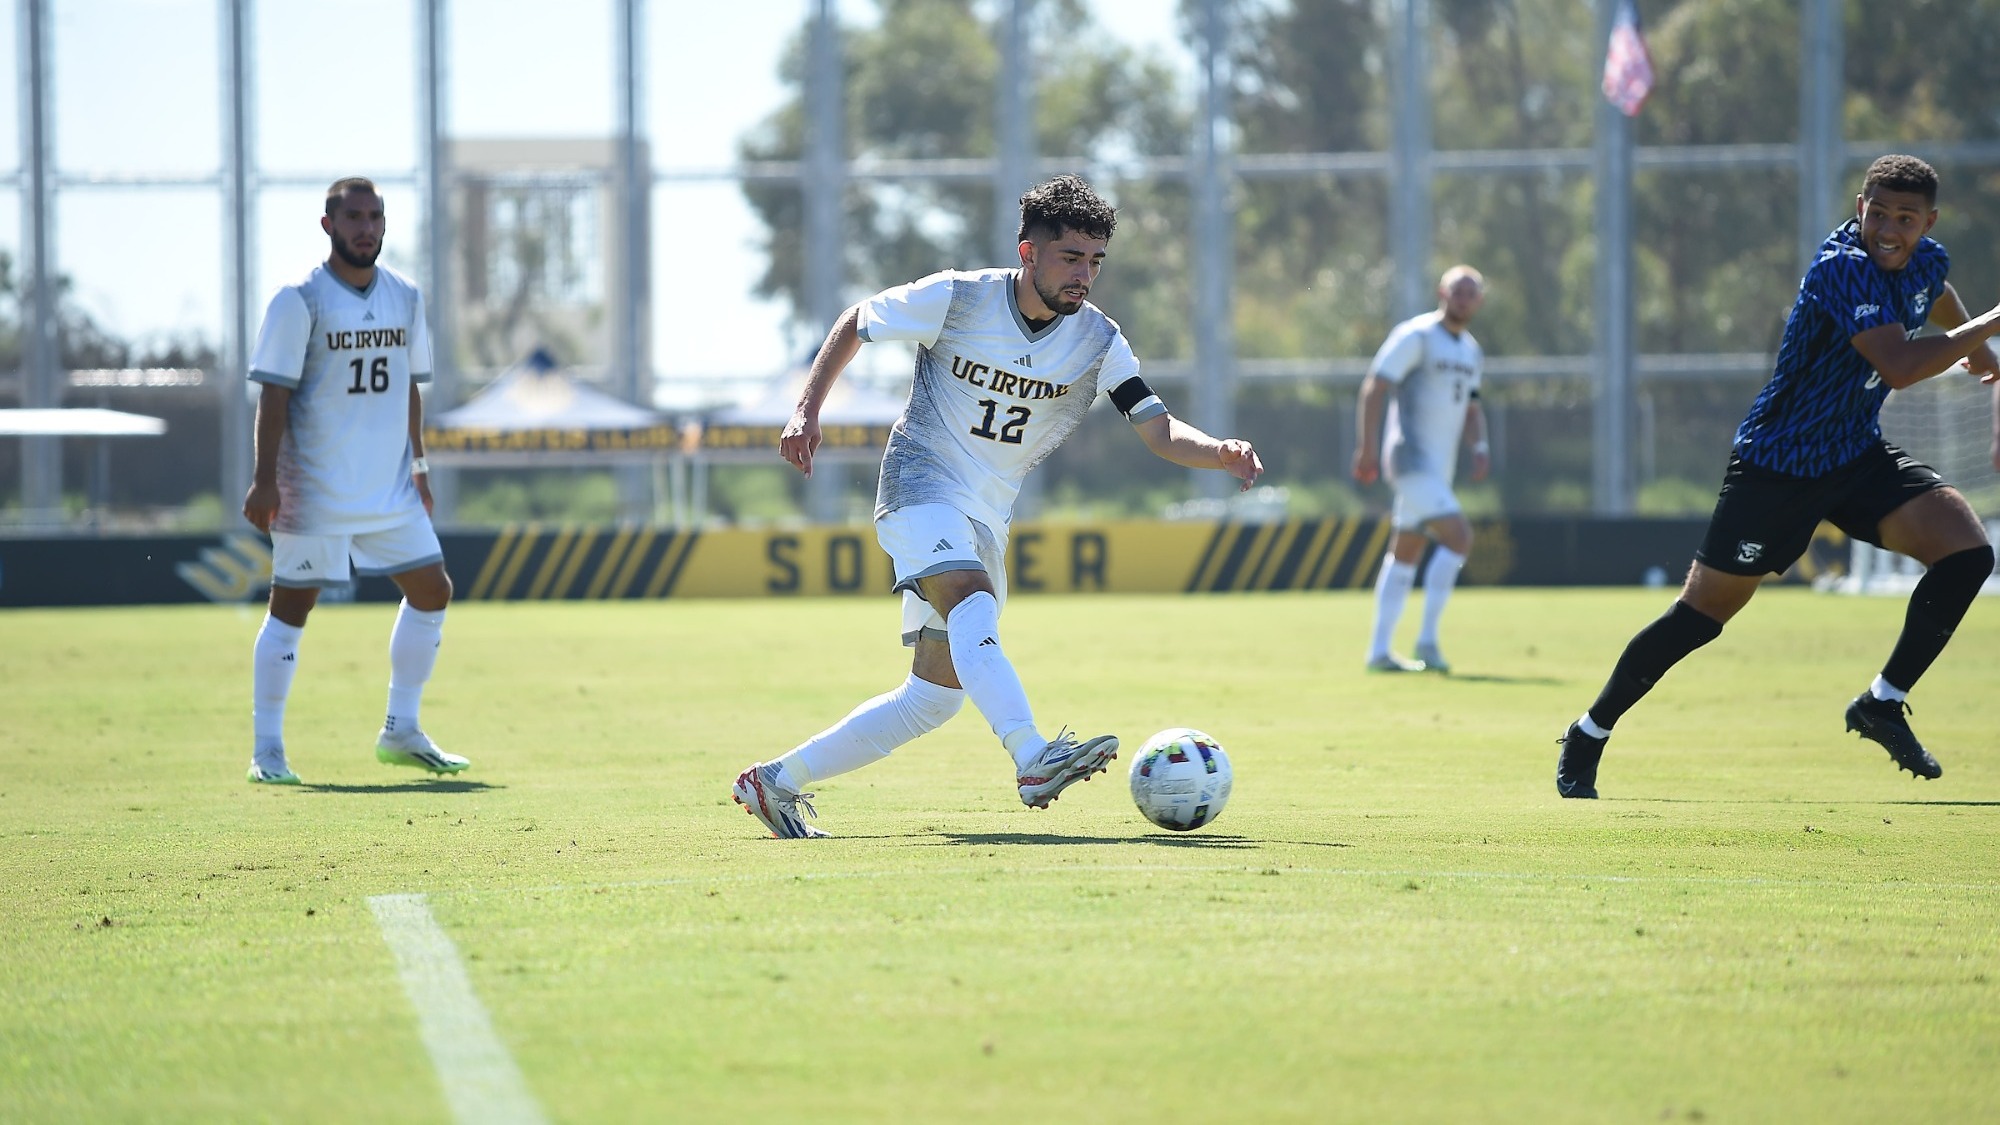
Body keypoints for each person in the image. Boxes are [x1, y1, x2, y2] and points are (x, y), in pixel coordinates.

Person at [731, 174, 1265, 838]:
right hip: (918, 484)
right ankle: (1033, 756)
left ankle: (774, 781)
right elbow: (857, 321)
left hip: (988, 513)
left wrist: (1218, 451)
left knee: (931, 699)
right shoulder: (958, 297)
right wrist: (807, 410)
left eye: (1095, 261)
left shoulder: (1098, 339)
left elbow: (1156, 428)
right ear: (1028, 252)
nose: (1084, 276)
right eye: (1071, 258)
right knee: (971, 597)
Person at [1557, 155, 2000, 798]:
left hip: (1854, 455)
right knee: (1700, 617)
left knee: (1966, 553)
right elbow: (1900, 366)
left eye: (1905, 218)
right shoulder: (1841, 268)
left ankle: (1881, 702)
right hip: (1777, 465)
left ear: (1927, 222)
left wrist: (1983, 355)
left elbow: (1938, 295)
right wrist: (1989, 327)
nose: (1888, 228)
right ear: (1860, 208)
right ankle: (1588, 731)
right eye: (1877, 213)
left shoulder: (1929, 259)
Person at [240, 177, 469, 784]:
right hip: (314, 486)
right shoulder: (300, 300)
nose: (366, 227)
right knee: (291, 607)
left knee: (433, 590)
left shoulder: (406, 297)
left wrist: (419, 466)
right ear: (329, 226)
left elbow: (408, 388)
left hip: (390, 487)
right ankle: (267, 751)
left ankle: (402, 730)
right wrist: (264, 480)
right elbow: (274, 395)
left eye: (375, 217)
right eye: (353, 217)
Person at [1351, 265, 1490, 674]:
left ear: (1478, 302)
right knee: (1459, 537)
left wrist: (1479, 446)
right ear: (1442, 292)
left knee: (1406, 550)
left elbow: (1472, 405)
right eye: (1457, 291)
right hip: (1409, 459)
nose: (1463, 299)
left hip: (1439, 468)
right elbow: (1375, 386)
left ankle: (1379, 651)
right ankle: (1427, 642)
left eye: (1471, 293)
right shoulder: (1416, 335)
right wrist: (1367, 447)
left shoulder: (1471, 351)